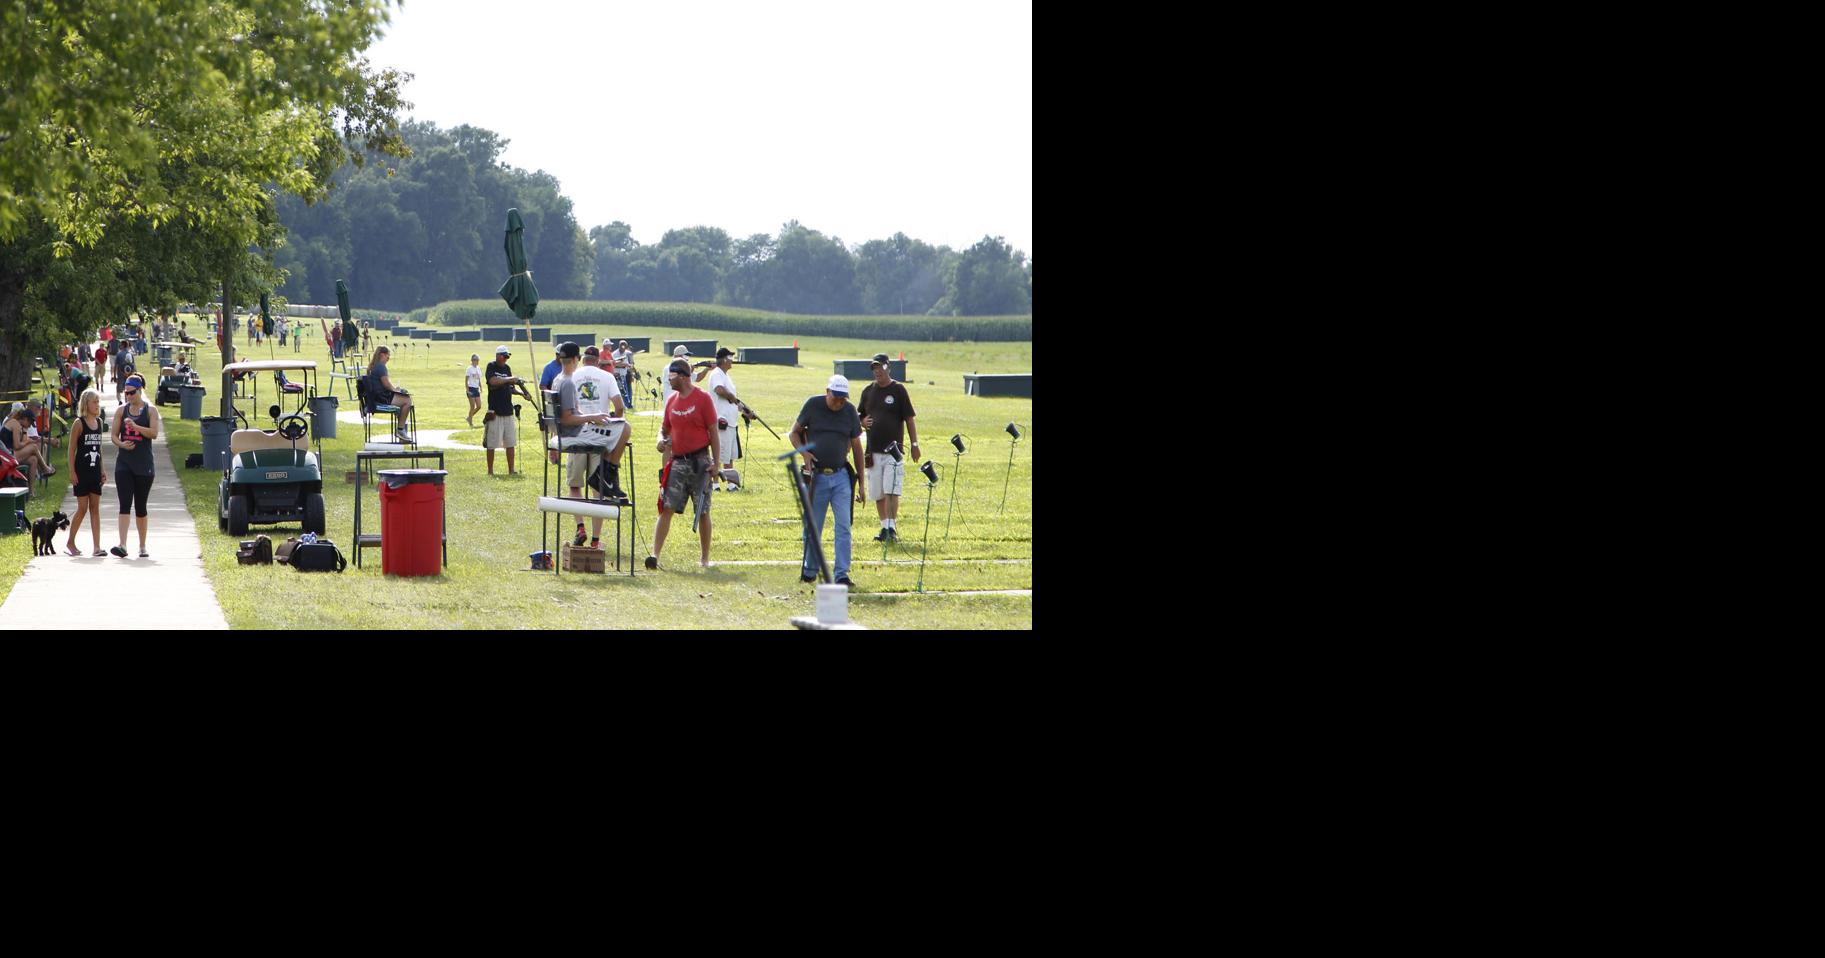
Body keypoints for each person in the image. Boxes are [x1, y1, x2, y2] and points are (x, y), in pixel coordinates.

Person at [789, 375, 866, 590]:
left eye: (843, 398)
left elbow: (857, 448)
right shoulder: (813, 405)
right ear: (827, 392)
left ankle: (841, 574)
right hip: (817, 477)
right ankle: (810, 570)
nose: (839, 402)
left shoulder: (850, 412)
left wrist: (860, 482)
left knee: (844, 526)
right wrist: (805, 455)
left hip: (841, 476)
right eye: (836, 397)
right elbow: (794, 433)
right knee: (813, 527)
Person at [647, 358, 721, 570]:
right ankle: (655, 556)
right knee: (666, 509)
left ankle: (705, 559)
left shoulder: (703, 399)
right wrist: (660, 441)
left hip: (700, 462)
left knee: (703, 510)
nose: (668, 380)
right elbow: (664, 429)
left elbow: (714, 433)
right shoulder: (671, 400)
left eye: (671, 376)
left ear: (682, 376)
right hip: (677, 462)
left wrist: (716, 464)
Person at [550, 343, 623, 551]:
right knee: (597, 488)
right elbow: (619, 407)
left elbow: (558, 418)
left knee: (575, 484)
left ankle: (580, 526)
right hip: (589, 436)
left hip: (572, 437)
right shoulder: (603, 377)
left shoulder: (560, 379)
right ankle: (596, 539)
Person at [858, 352, 921, 543]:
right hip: (873, 451)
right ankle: (884, 527)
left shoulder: (899, 390)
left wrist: (914, 444)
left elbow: (909, 419)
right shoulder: (868, 391)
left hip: (893, 451)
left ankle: (892, 528)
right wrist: (862, 421)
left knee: (891, 490)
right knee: (878, 492)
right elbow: (859, 414)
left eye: (880, 367)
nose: (877, 371)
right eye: (874, 368)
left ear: (887, 367)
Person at [110, 374, 161, 558]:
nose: (129, 397)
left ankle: (142, 546)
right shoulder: (121, 411)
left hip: (144, 464)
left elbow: (154, 433)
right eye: (126, 393)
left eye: (132, 393)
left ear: (140, 391)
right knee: (124, 504)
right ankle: (122, 544)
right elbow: (114, 435)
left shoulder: (150, 411)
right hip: (124, 463)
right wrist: (121, 444)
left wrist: (136, 427)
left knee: (141, 506)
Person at [64, 388, 107, 556]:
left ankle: (97, 547)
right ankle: (70, 542)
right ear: (86, 404)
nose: (97, 405)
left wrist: (102, 470)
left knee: (95, 508)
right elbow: (71, 449)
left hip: (95, 472)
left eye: (98, 402)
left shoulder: (99, 423)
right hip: (81, 472)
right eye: (94, 402)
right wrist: (72, 472)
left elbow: (100, 448)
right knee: (82, 508)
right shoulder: (79, 423)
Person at [484, 345, 533, 475]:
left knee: (510, 442)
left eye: (508, 356)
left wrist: (522, 394)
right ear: (498, 355)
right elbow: (493, 381)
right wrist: (510, 379)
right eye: (505, 356)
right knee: (492, 443)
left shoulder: (507, 368)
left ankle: (511, 470)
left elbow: (510, 388)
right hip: (495, 411)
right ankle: (490, 471)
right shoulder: (491, 366)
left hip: (508, 410)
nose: (506, 359)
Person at [704, 347, 742, 491]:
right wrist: (732, 397)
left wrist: (745, 411)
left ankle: (731, 483)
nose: (732, 361)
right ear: (725, 360)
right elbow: (719, 390)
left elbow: (734, 399)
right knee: (718, 454)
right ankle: (715, 484)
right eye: (730, 358)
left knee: (729, 455)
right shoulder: (717, 374)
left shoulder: (726, 376)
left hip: (731, 421)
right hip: (721, 420)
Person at [364, 346, 412, 444]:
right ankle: (400, 430)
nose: (388, 358)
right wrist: (396, 391)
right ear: (382, 354)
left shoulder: (374, 366)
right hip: (381, 398)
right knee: (407, 401)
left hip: (377, 396)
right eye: (388, 355)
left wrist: (396, 390)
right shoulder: (381, 366)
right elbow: (386, 385)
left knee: (403, 398)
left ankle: (402, 433)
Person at [4, 403, 53, 479]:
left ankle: (31, 490)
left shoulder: (20, 426)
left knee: (33, 459)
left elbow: (23, 441)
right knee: (33, 447)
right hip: (6, 455)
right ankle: (45, 469)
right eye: (30, 423)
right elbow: (17, 446)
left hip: (9, 453)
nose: (30, 425)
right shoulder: (15, 424)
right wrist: (28, 442)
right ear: (25, 419)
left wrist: (25, 430)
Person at [612, 339, 635, 409]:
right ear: (619, 346)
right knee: (620, 390)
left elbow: (630, 363)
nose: (623, 349)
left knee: (627, 390)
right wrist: (624, 364)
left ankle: (628, 404)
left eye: (624, 347)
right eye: (621, 347)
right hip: (617, 375)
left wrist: (631, 373)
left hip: (625, 374)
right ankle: (622, 405)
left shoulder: (627, 353)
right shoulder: (614, 354)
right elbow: (613, 364)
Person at [465, 353, 484, 427]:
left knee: (479, 406)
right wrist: (467, 390)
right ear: (472, 360)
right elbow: (466, 381)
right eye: (476, 360)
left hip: (476, 389)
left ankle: (469, 417)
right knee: (472, 406)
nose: (477, 361)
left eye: (478, 360)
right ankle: (470, 422)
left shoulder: (478, 368)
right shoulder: (469, 369)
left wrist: (480, 386)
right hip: (471, 388)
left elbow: (478, 378)